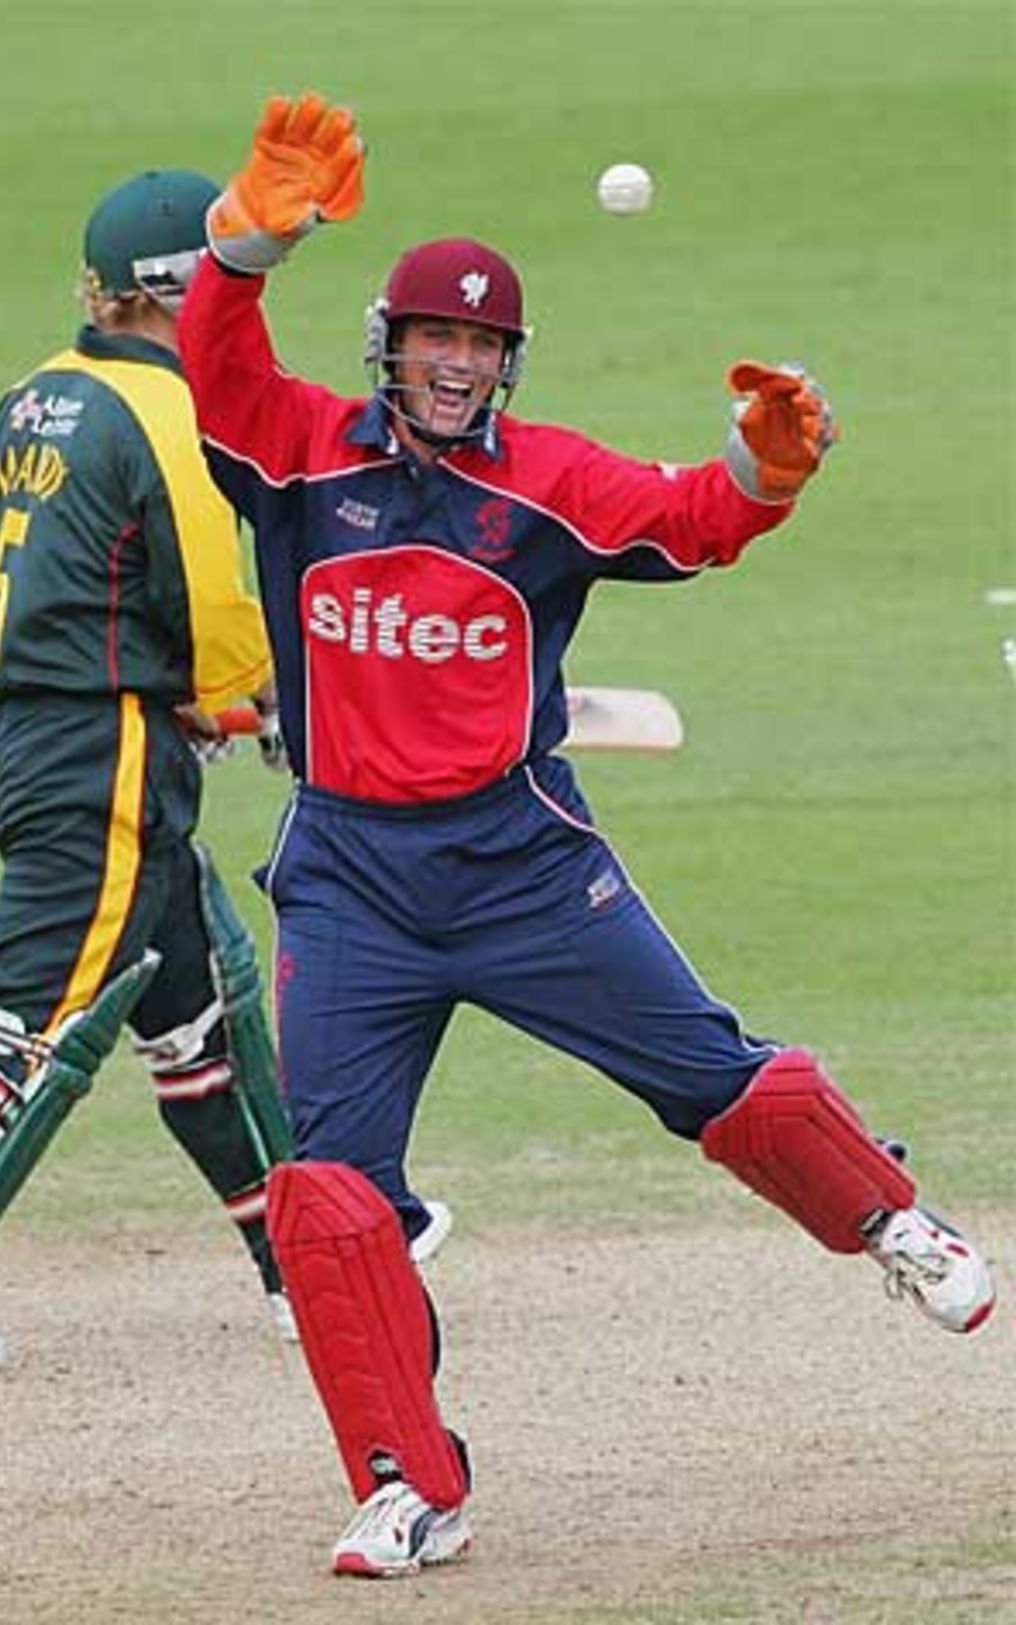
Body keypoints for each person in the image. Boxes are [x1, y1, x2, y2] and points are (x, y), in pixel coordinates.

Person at [176, 93, 997, 1578]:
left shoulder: (543, 482)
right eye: (437, 338)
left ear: (506, 366)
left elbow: (694, 517)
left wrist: (769, 466)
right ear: (391, 343)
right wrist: (243, 249)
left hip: (524, 864)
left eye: (483, 346)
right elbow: (214, 367)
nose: (458, 363)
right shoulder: (299, 453)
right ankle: (409, 1485)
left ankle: (892, 1222)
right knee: (331, 1200)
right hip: (352, 882)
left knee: (708, 1073)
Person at [0, 168, 301, 1376]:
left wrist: (185, 694)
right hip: (104, 754)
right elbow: (207, 596)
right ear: (179, 293)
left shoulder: (33, 396)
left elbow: (81, 575)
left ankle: (307, 1259)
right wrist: (269, 698)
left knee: (197, 1009)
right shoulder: (164, 410)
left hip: (44, 735)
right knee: (22, 1021)